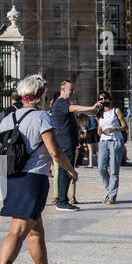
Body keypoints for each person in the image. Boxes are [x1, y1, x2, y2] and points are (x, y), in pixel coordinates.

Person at [0, 74, 77, 264]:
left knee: (36, 231)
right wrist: (70, 169)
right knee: (19, 230)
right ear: (40, 95)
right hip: (33, 180)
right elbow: (55, 151)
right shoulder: (42, 118)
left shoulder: (8, 119)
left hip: (11, 179)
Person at [49, 81, 101, 211]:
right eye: (71, 89)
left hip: (68, 143)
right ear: (63, 90)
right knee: (64, 171)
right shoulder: (61, 103)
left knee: (65, 171)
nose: (73, 92)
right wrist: (91, 108)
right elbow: (74, 108)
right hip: (65, 143)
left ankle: (64, 199)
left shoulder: (61, 103)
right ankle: (62, 201)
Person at [94, 92, 127, 203]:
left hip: (115, 140)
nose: (103, 100)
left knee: (113, 170)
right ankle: (110, 190)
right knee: (101, 168)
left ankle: (112, 195)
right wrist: (99, 131)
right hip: (103, 141)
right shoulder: (99, 113)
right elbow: (99, 129)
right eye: (101, 99)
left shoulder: (115, 111)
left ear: (109, 99)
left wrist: (114, 129)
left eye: (105, 98)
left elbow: (125, 127)